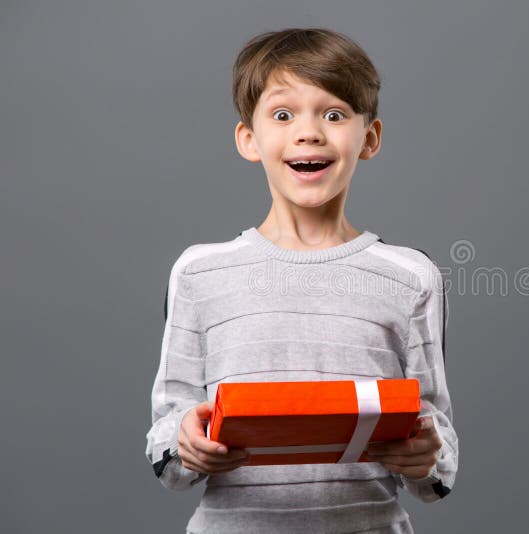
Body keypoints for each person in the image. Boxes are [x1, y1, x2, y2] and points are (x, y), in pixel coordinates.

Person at [144, 27, 458, 533]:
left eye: (333, 115)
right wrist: (184, 440)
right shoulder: (199, 273)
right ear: (249, 138)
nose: (308, 132)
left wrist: (428, 453)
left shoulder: (411, 278)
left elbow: (436, 449)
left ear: (370, 138)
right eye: (283, 114)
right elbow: (168, 440)